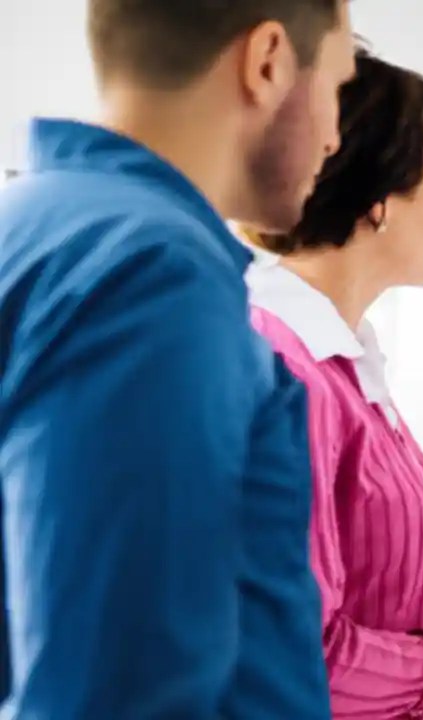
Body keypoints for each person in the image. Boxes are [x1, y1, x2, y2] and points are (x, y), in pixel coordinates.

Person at [0, 1, 356, 717]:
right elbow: (112, 693)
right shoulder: (150, 273)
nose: (334, 136)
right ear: (268, 62)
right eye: (337, 90)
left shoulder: (38, 222)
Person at [241, 48, 423, 718]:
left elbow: (310, 547)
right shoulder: (289, 374)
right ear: (380, 202)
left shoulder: (339, 355)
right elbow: (286, 653)